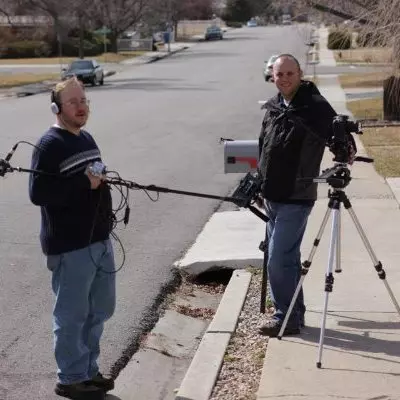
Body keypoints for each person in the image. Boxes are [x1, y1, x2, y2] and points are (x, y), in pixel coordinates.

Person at [29, 77, 116, 400]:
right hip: (70, 245)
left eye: (84, 101)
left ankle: (88, 370)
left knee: (101, 309)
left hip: (99, 239)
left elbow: (93, 181)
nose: (81, 107)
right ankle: (70, 377)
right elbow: (38, 193)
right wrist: (86, 184)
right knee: (72, 313)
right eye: (73, 102)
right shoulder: (49, 145)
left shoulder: (86, 138)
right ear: (57, 108)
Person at [257, 54, 356, 337]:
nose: (284, 79)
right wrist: (258, 185)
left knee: (278, 259)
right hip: (272, 195)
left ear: (299, 74)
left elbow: (344, 144)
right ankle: (293, 314)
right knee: (285, 259)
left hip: (296, 197)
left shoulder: (315, 106)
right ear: (272, 77)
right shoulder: (275, 106)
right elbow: (264, 147)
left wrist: (343, 153)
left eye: (290, 73)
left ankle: (284, 317)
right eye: (279, 74)